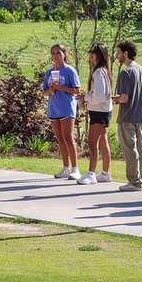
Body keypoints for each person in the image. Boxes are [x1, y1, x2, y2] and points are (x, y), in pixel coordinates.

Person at [76, 42, 114, 185]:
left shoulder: (99, 72)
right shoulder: (104, 71)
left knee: (93, 143)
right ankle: (105, 173)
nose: (91, 54)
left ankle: (91, 173)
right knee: (103, 141)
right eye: (90, 51)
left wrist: (85, 97)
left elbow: (99, 96)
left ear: (101, 54)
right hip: (104, 110)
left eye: (95, 52)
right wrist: (88, 96)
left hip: (99, 112)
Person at [115, 40, 142, 192]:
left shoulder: (126, 72)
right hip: (140, 115)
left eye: (118, 53)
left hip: (127, 116)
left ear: (125, 53)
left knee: (130, 150)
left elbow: (124, 98)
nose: (117, 56)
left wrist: (113, 99)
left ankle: (134, 181)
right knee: (140, 149)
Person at [43, 44, 82, 181]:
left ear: (64, 54)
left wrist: (61, 87)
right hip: (54, 108)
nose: (55, 55)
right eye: (53, 53)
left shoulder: (69, 70)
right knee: (60, 139)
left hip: (66, 107)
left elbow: (76, 90)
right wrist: (50, 90)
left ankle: (75, 168)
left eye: (58, 53)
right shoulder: (49, 72)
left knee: (68, 137)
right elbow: (44, 91)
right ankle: (66, 167)